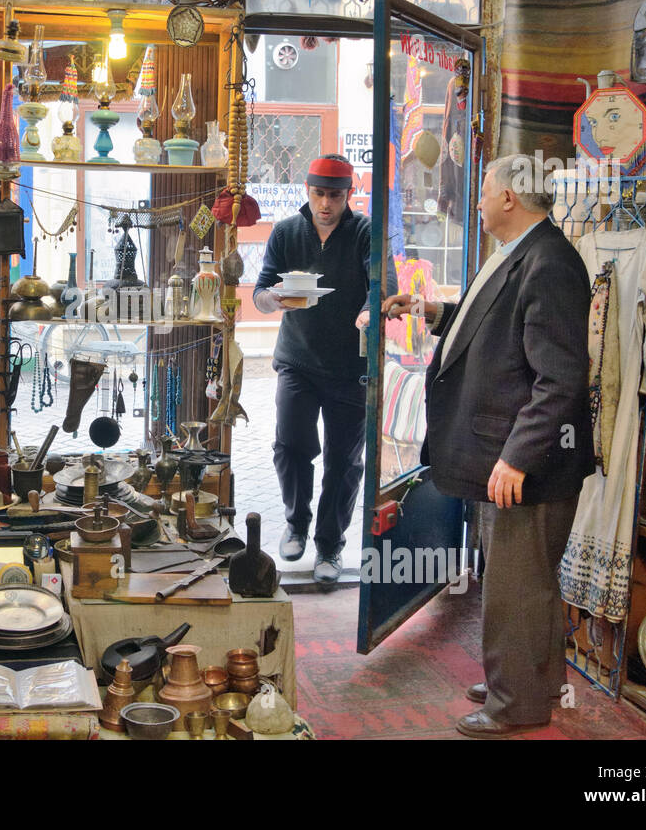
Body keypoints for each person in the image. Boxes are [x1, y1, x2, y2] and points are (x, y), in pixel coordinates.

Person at [382, 153, 593, 738]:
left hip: (529, 463)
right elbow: (494, 327)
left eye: (482, 190)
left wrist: (517, 456)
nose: (474, 200)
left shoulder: (548, 262)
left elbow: (561, 378)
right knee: (529, 581)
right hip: (505, 453)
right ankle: (535, 680)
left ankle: (515, 703)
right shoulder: (521, 251)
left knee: (515, 587)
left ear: (509, 198)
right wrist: (433, 310)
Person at [254, 154, 397, 586]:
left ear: (348, 195)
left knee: (344, 460)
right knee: (290, 444)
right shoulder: (286, 232)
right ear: (307, 192)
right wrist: (272, 299)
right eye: (319, 194)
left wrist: (371, 312)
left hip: (350, 366)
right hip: (297, 359)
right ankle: (296, 522)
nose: (326, 204)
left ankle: (330, 546)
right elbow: (261, 290)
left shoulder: (366, 233)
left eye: (335, 196)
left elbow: (383, 285)